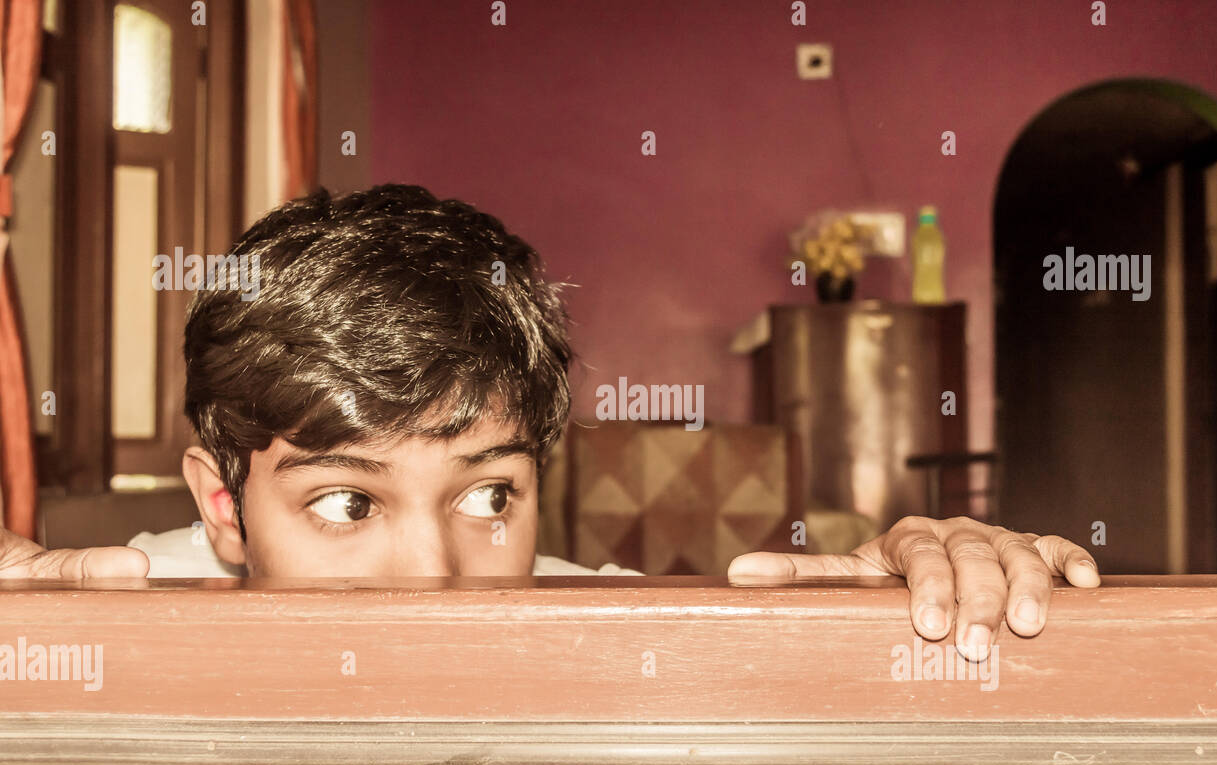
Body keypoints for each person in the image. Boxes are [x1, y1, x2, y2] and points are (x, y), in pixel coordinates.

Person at [0, 184, 1099, 661]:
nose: (434, 572)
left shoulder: (617, 637)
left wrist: (925, 579)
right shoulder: (119, 612)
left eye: (489, 494)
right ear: (222, 507)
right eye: (345, 500)